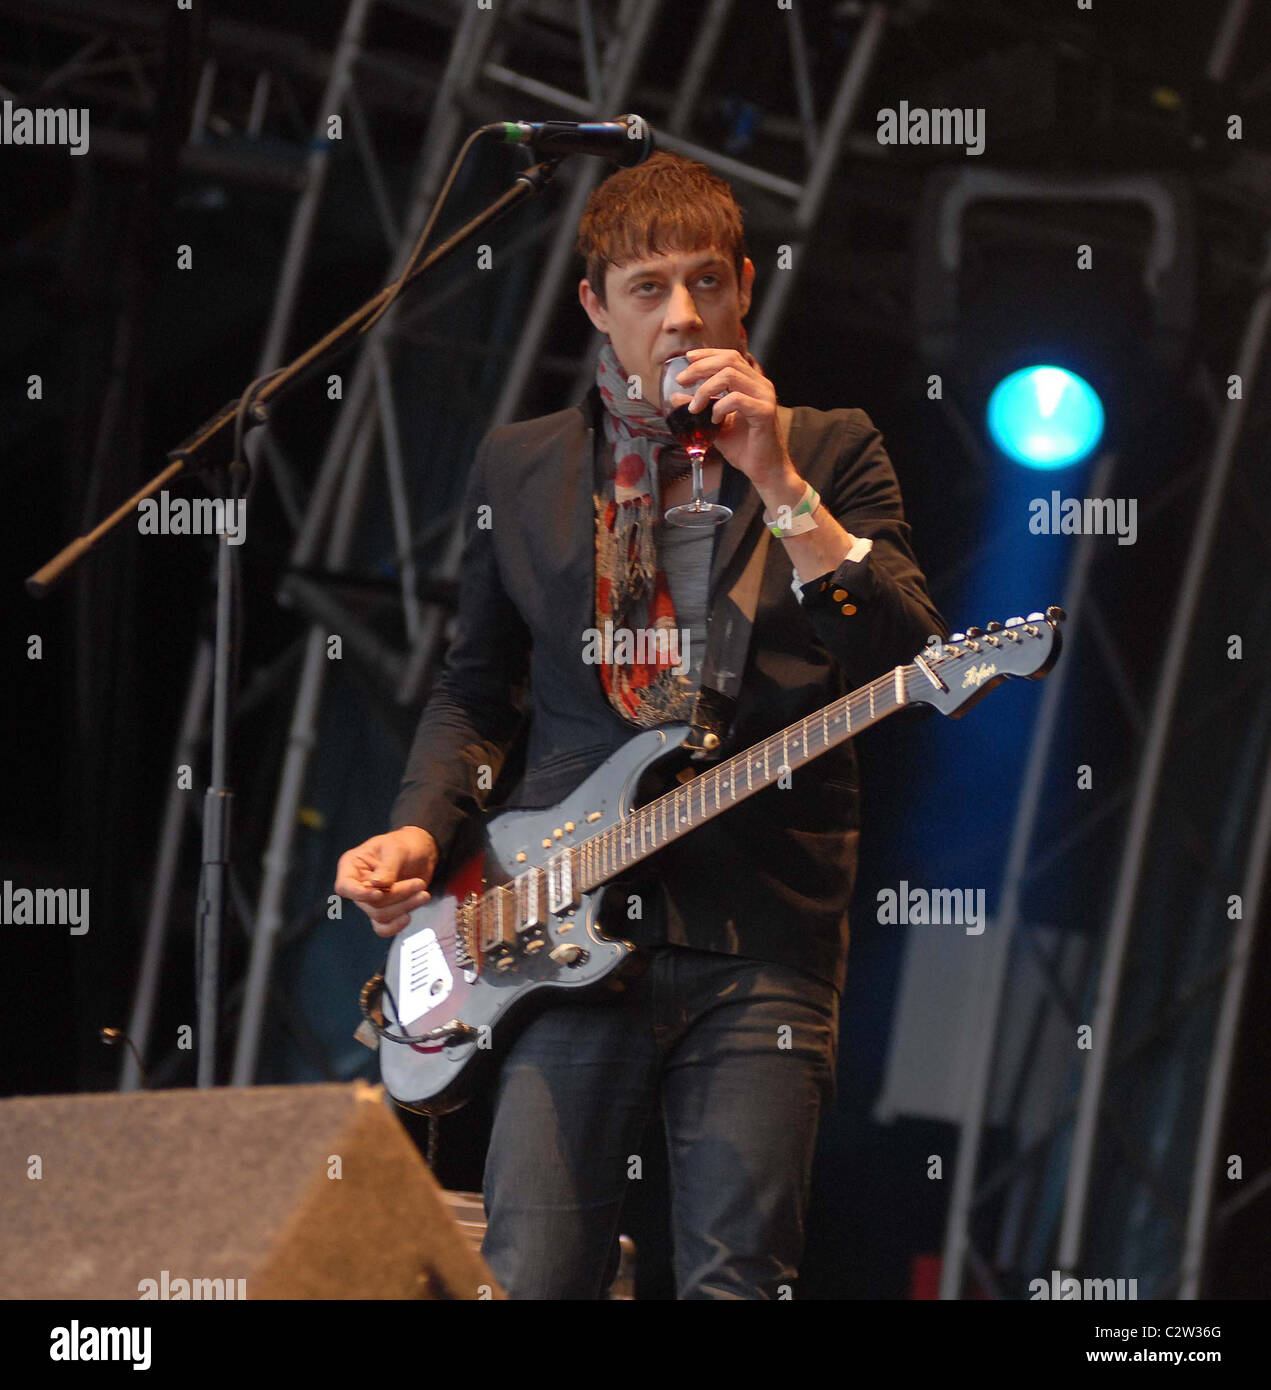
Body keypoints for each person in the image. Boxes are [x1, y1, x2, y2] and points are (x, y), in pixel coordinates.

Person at [334, 151, 947, 1299]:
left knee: (735, 1274)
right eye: (648, 288)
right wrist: (419, 829)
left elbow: (905, 650)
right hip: (557, 922)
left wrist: (779, 486)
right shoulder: (521, 466)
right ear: (594, 307)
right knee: (539, 1271)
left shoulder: (829, 446)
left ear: (746, 288)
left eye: (706, 283)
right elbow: (478, 688)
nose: (680, 316)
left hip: (758, 925)